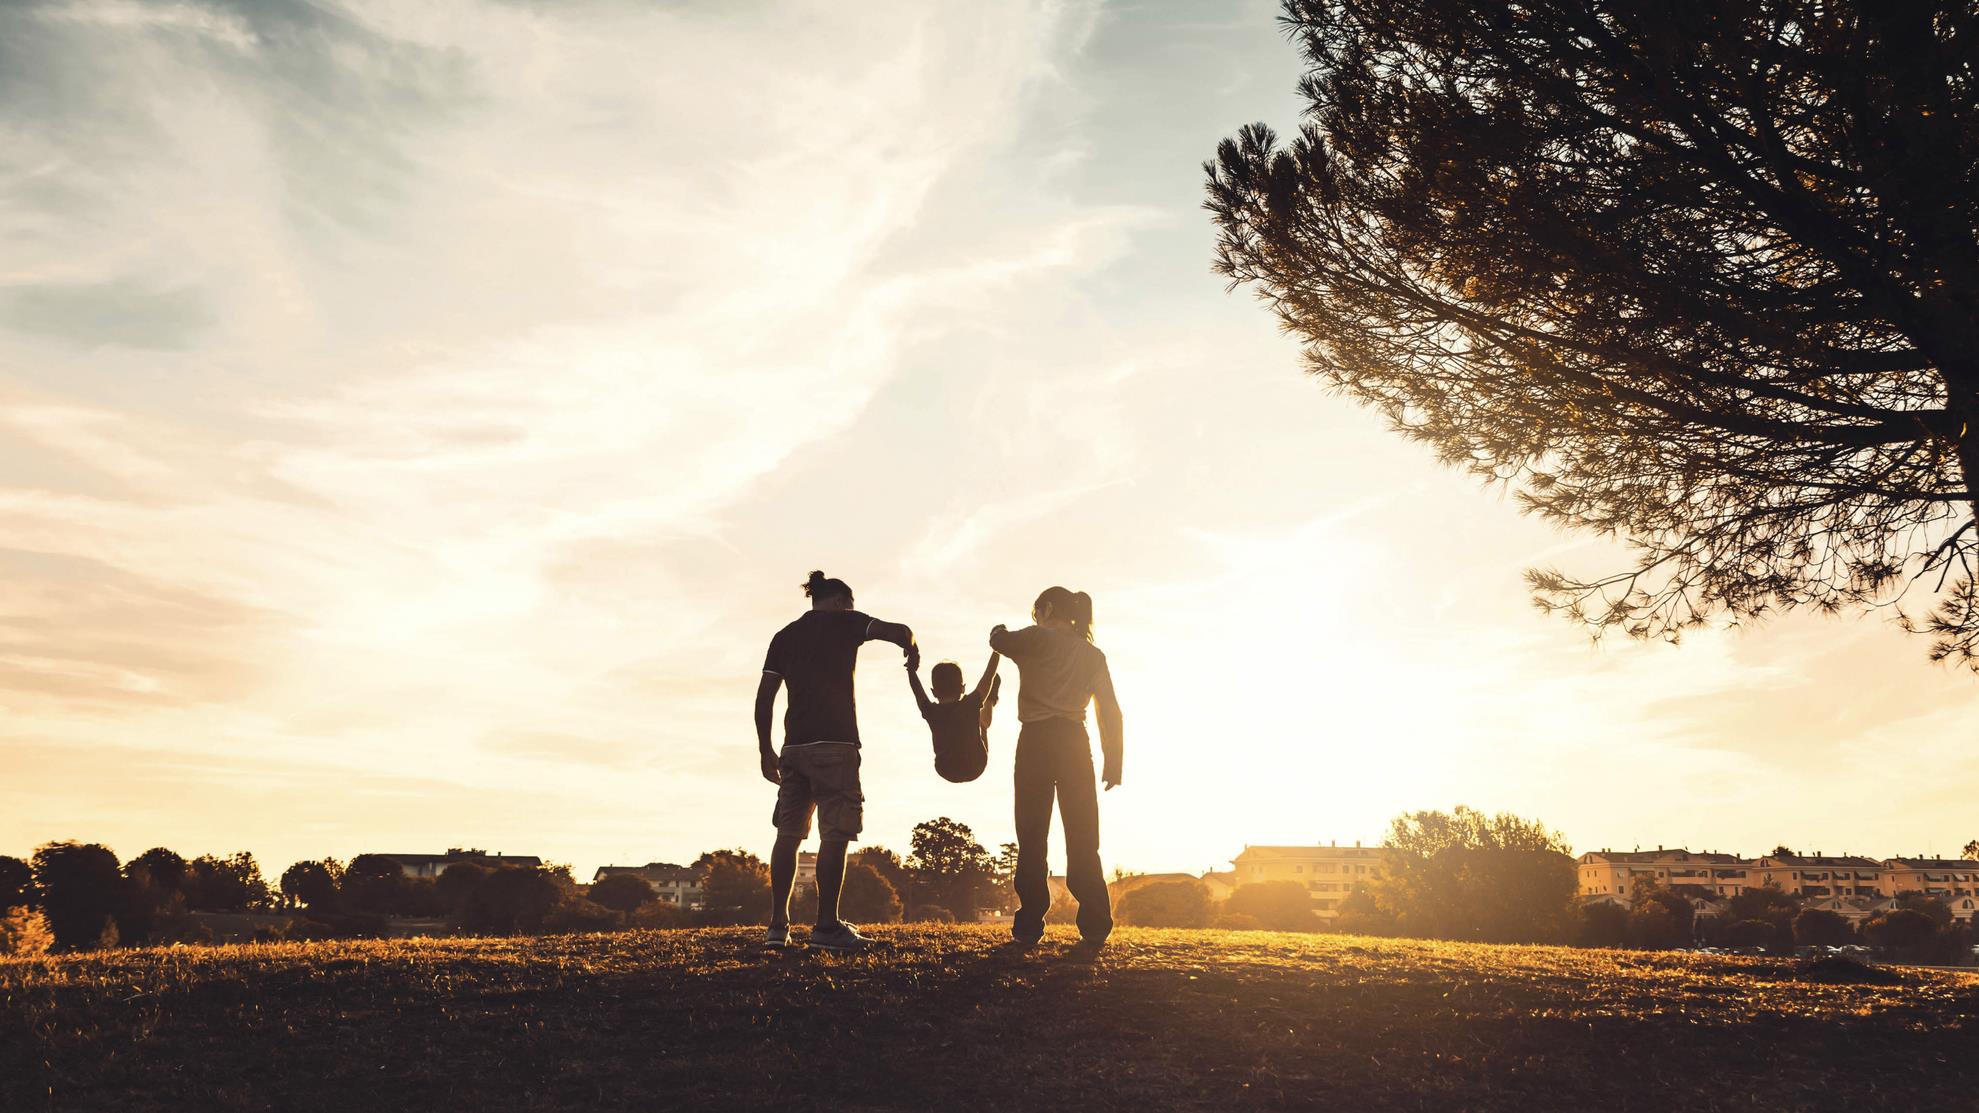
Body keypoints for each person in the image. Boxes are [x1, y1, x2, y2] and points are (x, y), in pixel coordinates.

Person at [756, 570, 915, 951]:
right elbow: (900, 631)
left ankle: (778, 927)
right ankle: (826, 927)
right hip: (837, 746)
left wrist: (766, 748)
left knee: (788, 836)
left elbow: (765, 696)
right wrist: (912, 647)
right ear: (843, 601)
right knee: (835, 835)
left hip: (793, 749)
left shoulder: (784, 636)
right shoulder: (848, 622)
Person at [990, 586, 1123, 953]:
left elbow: (999, 641)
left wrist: (997, 630)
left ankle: (1030, 924)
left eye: (1037, 612)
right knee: (1084, 837)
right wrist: (1114, 761)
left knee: (1032, 836)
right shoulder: (1092, 655)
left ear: (1047, 609)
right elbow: (1110, 709)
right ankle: (1095, 925)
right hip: (1075, 745)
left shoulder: (1035, 638)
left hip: (1035, 741)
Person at [906, 651, 1001, 783]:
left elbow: (917, 690)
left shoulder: (931, 711)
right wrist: (997, 648)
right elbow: (989, 674)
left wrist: (910, 669)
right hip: (975, 767)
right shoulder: (970, 705)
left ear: (933, 692)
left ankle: (987, 707)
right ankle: (989, 703)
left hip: (945, 769)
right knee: (982, 722)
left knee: (977, 713)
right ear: (963, 688)